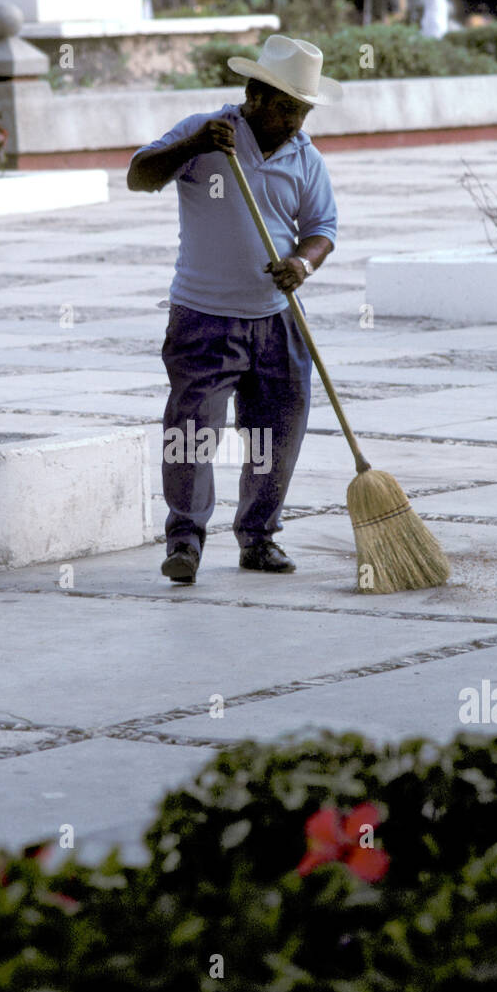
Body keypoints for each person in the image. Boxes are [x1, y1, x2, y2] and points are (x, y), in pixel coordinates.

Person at [126, 35, 341, 585]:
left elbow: (322, 230)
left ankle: (258, 538)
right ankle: (185, 542)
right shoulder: (206, 133)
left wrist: (302, 264)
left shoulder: (304, 155)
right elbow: (140, 176)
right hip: (203, 317)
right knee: (192, 432)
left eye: (303, 109)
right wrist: (192, 145)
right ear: (254, 95)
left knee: (277, 430)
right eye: (288, 107)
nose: (296, 120)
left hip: (277, 317)